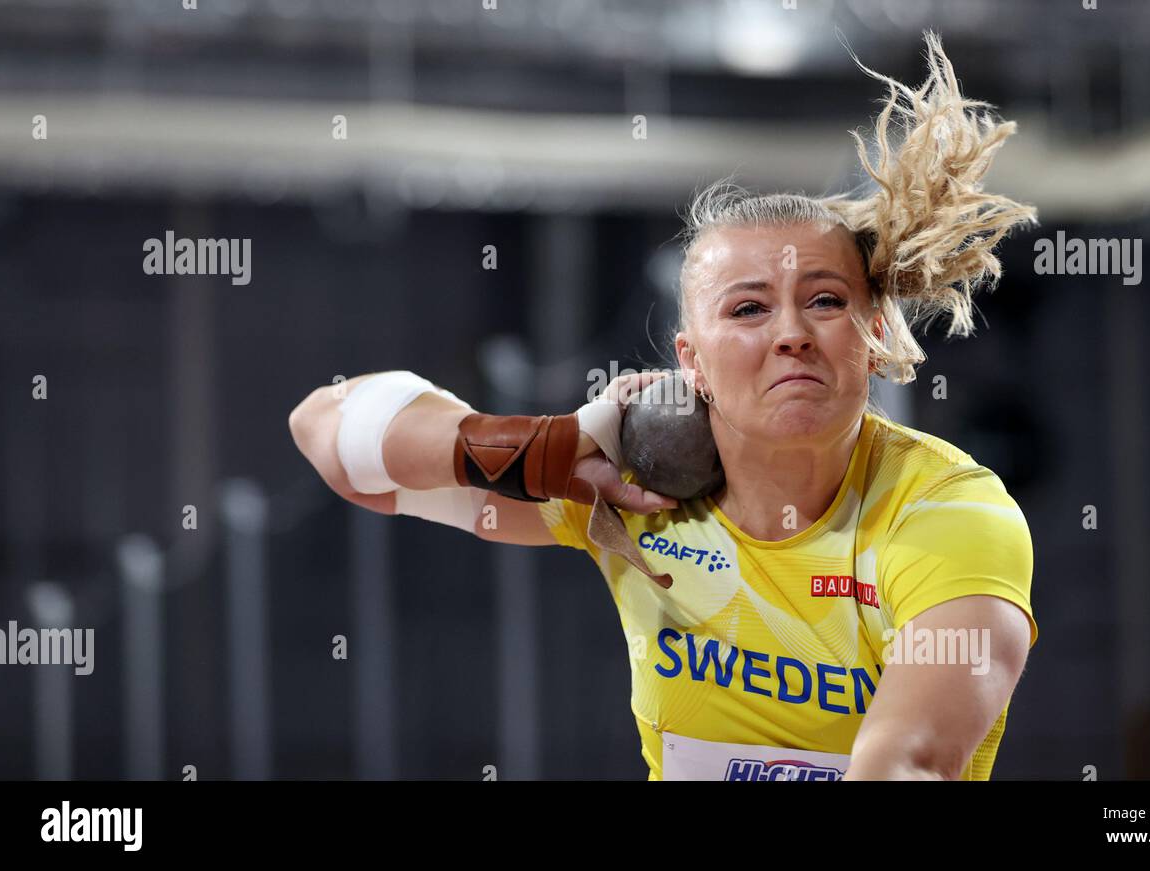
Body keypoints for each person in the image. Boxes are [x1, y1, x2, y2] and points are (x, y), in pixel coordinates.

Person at [288, 31, 1038, 781]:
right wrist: (548, 446)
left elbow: (910, 761)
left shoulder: (948, 514)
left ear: (873, 337)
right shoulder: (630, 494)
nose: (791, 334)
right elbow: (331, 436)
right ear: (692, 363)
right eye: (747, 309)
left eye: (824, 300)